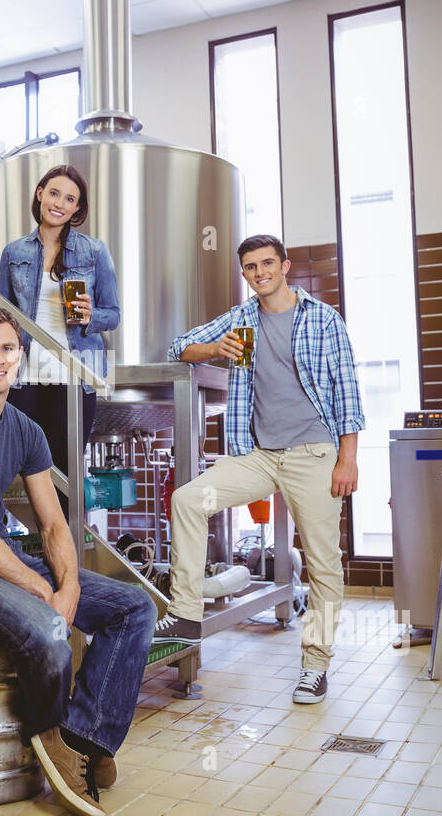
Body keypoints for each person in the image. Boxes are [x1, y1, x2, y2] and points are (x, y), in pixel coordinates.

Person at [0, 304, 157, 816]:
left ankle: (86, 738)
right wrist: (44, 595)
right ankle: (50, 735)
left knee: (133, 606)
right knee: (45, 628)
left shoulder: (25, 429)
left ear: (21, 356)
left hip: (0, 555)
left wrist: (67, 589)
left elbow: (55, 525)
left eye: (7, 349)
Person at [153, 234, 365, 705]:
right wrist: (214, 350)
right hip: (259, 455)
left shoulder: (322, 320)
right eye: (250, 267)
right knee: (189, 500)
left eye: (267, 263)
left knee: (324, 565)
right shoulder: (243, 318)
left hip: (313, 455)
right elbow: (179, 347)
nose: (259, 273)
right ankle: (186, 616)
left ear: (285, 266)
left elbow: (348, 393)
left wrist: (348, 458)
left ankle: (315, 665)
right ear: (244, 274)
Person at [0, 165, 119, 508]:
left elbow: (114, 314)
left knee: (63, 472)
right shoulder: (14, 252)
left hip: (77, 372)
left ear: (77, 208)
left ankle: (61, 555)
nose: (59, 203)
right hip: (27, 373)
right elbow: (1, 315)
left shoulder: (94, 252)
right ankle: (20, 553)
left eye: (70, 199)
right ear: (40, 194)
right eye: (54, 193)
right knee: (23, 463)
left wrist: (92, 315)